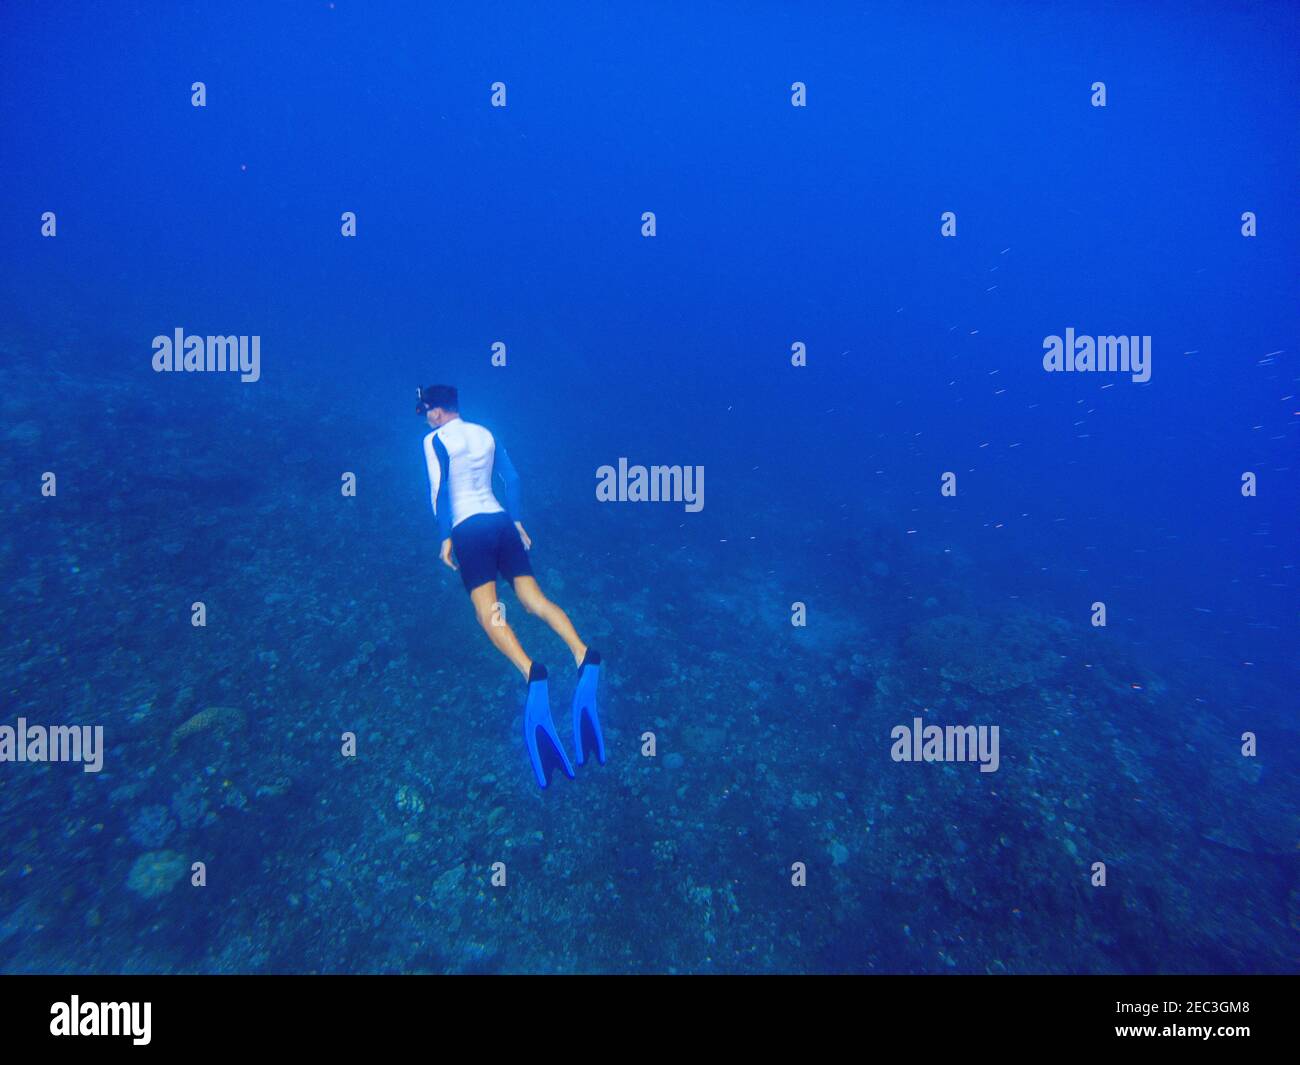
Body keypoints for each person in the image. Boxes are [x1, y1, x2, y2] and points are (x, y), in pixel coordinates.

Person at [417, 384, 605, 788]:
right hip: (501, 522)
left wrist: (444, 536)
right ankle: (582, 652)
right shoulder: (486, 432)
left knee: (488, 612)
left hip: (468, 528)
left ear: (435, 411)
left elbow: (440, 491)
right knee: (534, 599)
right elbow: (512, 477)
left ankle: (530, 671)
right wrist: (517, 521)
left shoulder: (433, 440)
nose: (425, 417)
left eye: (425, 410)